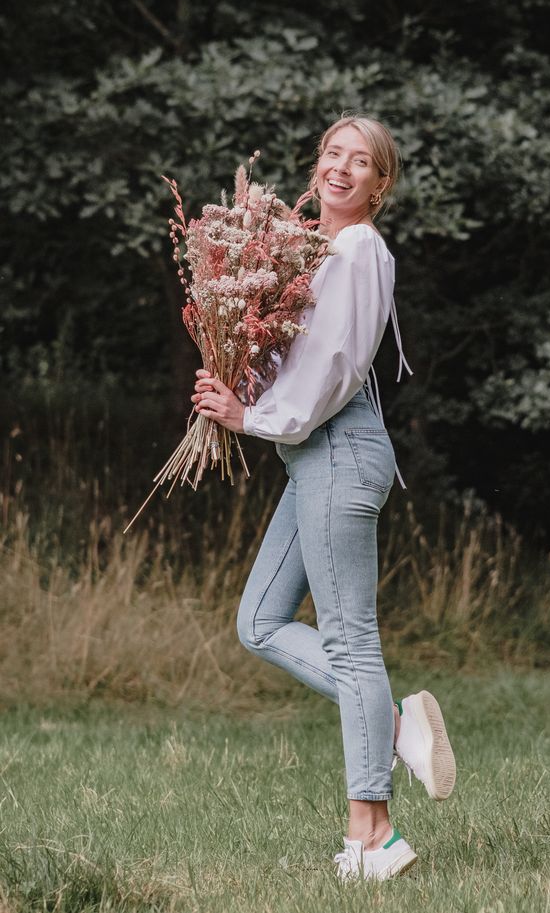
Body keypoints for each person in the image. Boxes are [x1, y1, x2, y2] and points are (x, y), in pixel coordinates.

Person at [191, 115, 456, 881]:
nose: (342, 168)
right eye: (333, 154)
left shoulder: (358, 248)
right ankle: (399, 722)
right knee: (260, 621)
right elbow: (306, 357)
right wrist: (235, 372)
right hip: (314, 457)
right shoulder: (314, 252)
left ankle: (374, 839)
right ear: (317, 167)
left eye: (362, 162)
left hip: (338, 450)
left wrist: (252, 417)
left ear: (381, 185)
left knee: (348, 639)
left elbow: (337, 366)